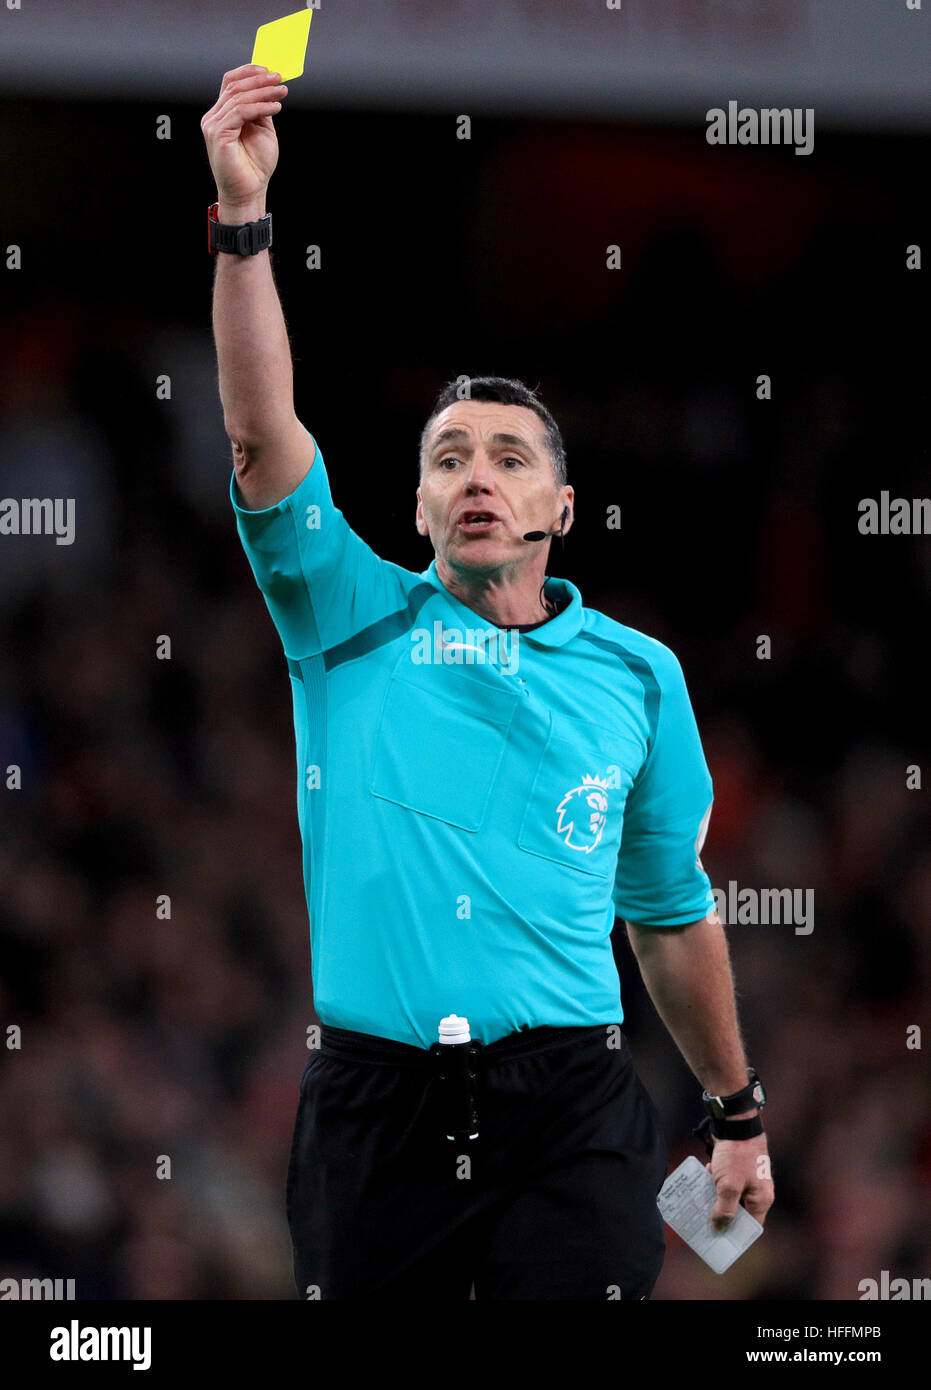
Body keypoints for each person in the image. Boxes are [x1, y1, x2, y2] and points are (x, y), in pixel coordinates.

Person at [201, 65, 774, 1300]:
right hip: (373, 1113)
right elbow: (259, 432)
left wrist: (735, 1107)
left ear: (558, 505)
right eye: (448, 455)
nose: (476, 473)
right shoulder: (343, 612)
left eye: (508, 457)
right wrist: (244, 225)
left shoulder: (637, 675)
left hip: (566, 1106)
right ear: (414, 505)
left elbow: (668, 914)